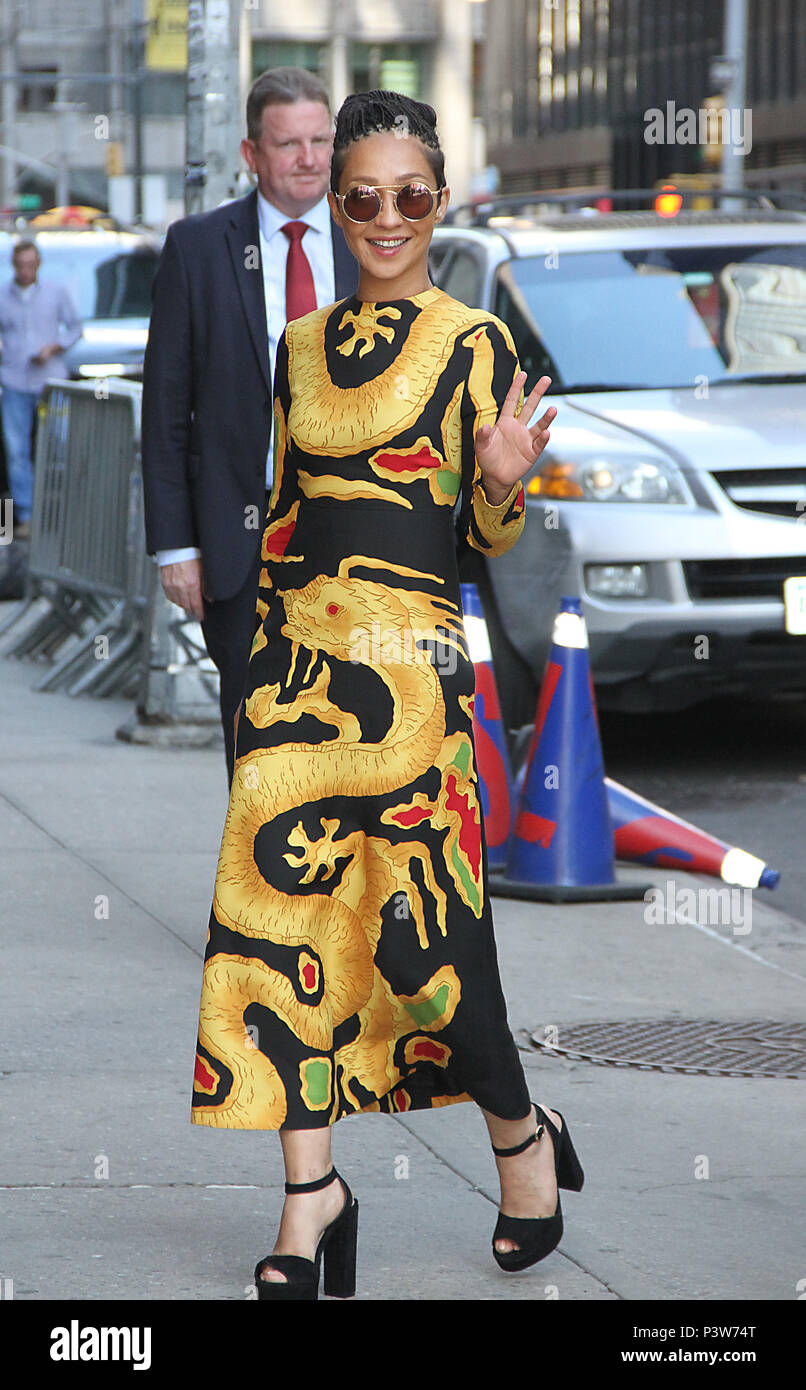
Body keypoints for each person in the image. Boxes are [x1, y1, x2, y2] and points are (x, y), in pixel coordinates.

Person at [190, 89, 585, 1300]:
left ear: (441, 198)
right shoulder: (299, 348)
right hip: (294, 679)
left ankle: (520, 1135)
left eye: (408, 195)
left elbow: (482, 534)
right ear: (333, 201)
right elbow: (291, 515)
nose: (384, 217)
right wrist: (257, 669)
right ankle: (310, 1196)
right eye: (359, 196)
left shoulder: (478, 343)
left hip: (413, 684)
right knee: (274, 936)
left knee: (428, 948)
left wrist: (504, 482)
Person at [141, 67, 359, 784]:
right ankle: (260, 890)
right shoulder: (199, 248)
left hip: (358, 532)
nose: (308, 158)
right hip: (246, 538)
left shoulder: (373, 237)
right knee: (259, 734)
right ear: (251, 153)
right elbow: (167, 410)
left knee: (352, 731)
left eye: (320, 140)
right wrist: (176, 546)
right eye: (288, 142)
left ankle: (337, 895)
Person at [0, 239, 82, 539]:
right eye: (21, 265)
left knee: (59, 444)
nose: (26, 271)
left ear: (39, 265)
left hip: (50, 380)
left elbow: (75, 328)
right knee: (16, 449)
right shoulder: (3, 295)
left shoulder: (55, 292)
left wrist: (55, 347)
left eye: (31, 265)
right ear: (13, 266)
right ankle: (25, 515)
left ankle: (59, 511)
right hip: (14, 379)